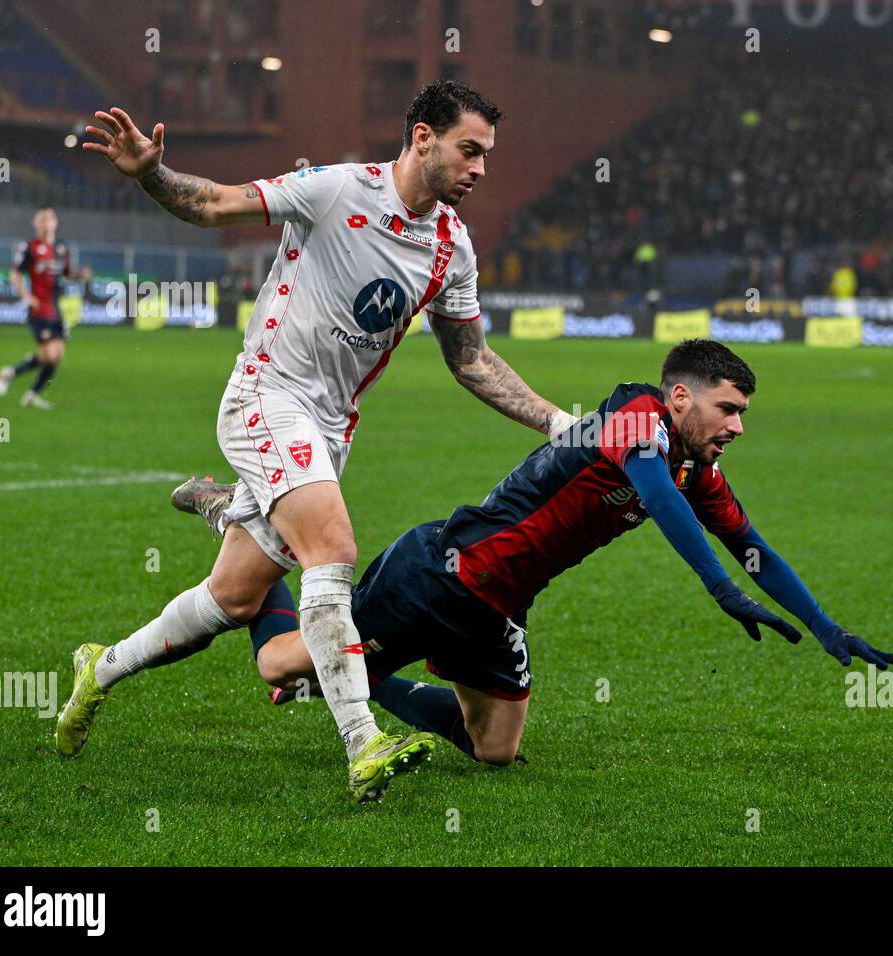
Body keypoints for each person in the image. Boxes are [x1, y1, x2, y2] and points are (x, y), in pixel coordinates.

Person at [55, 80, 577, 802]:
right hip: (265, 396)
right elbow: (214, 203)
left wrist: (559, 423)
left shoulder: (452, 249)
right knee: (332, 550)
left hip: (329, 428)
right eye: (470, 149)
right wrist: (151, 173)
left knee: (233, 601)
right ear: (422, 137)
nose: (481, 168)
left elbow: (472, 361)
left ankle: (100, 667)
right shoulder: (336, 189)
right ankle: (362, 743)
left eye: (486, 154)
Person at [178, 340, 893, 767]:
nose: (739, 426)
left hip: (499, 605)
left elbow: (753, 549)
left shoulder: (693, 468)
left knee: (494, 750)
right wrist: (718, 589)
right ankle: (251, 538)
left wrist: (826, 626)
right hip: (442, 572)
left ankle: (369, 679)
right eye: (731, 409)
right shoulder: (633, 419)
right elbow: (656, 495)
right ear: (681, 397)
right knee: (281, 666)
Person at [0, 206, 92, 409]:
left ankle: (27, 391)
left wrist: (79, 275)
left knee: (56, 356)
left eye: (51, 217)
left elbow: (67, 273)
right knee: (51, 354)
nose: (47, 220)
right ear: (36, 223)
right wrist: (26, 296)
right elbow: (15, 274)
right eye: (43, 217)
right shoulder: (29, 247)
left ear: (56, 222)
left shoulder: (61, 248)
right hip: (39, 309)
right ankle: (11, 375)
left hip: (55, 309)